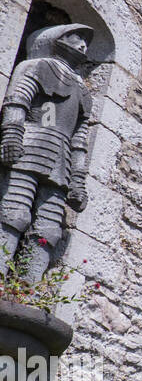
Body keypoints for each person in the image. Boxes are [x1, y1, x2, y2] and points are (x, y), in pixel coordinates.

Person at [0, 24, 96, 283]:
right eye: (76, 37)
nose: (82, 45)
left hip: (60, 162)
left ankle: (25, 290)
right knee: (13, 213)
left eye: (85, 41)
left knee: (49, 230)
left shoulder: (82, 91)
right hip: (28, 147)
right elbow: (17, 102)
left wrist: (78, 178)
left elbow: (79, 139)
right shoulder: (36, 67)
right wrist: (12, 134)